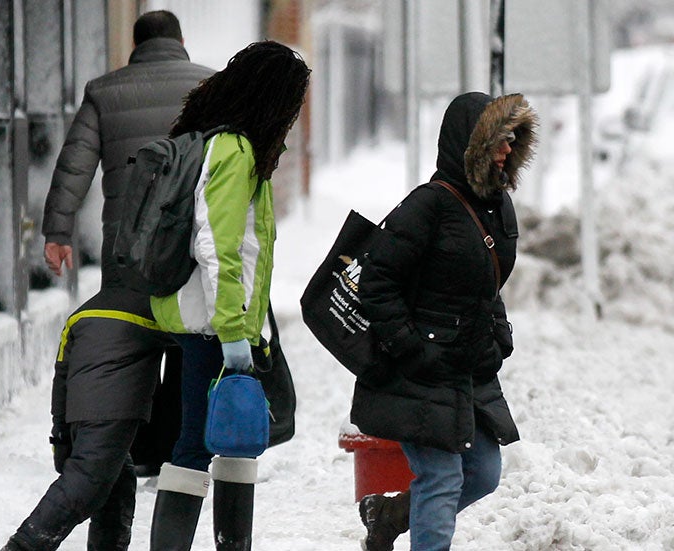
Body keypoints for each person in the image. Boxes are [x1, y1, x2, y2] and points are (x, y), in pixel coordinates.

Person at [351, 91, 538, 551]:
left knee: (483, 472)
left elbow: (485, 286)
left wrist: (499, 335)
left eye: (513, 140)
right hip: (418, 368)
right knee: (440, 475)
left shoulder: (496, 207)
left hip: (467, 367)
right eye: (499, 140)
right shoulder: (427, 206)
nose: (507, 150)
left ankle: (390, 514)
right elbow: (376, 280)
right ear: (472, 144)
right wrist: (411, 347)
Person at [146, 40, 310, 551]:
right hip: (211, 327)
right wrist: (235, 334)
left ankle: (233, 545)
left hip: (224, 322)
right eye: (290, 105)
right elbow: (217, 246)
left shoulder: (234, 147)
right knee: (195, 441)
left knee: (238, 440)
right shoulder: (234, 151)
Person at [41, 9, 215, 476]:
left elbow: (73, 165)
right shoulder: (211, 85)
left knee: (132, 332)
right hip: (190, 243)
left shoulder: (104, 91)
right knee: (188, 335)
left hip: (128, 244)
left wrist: (58, 232)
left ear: (134, 46)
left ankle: (131, 443)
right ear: (180, 40)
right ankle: (176, 442)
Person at [1, 289, 172, 550]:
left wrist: (60, 434)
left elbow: (61, 374)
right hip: (112, 409)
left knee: (117, 479)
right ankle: (23, 546)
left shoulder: (82, 313)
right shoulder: (150, 311)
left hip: (80, 412)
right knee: (86, 483)